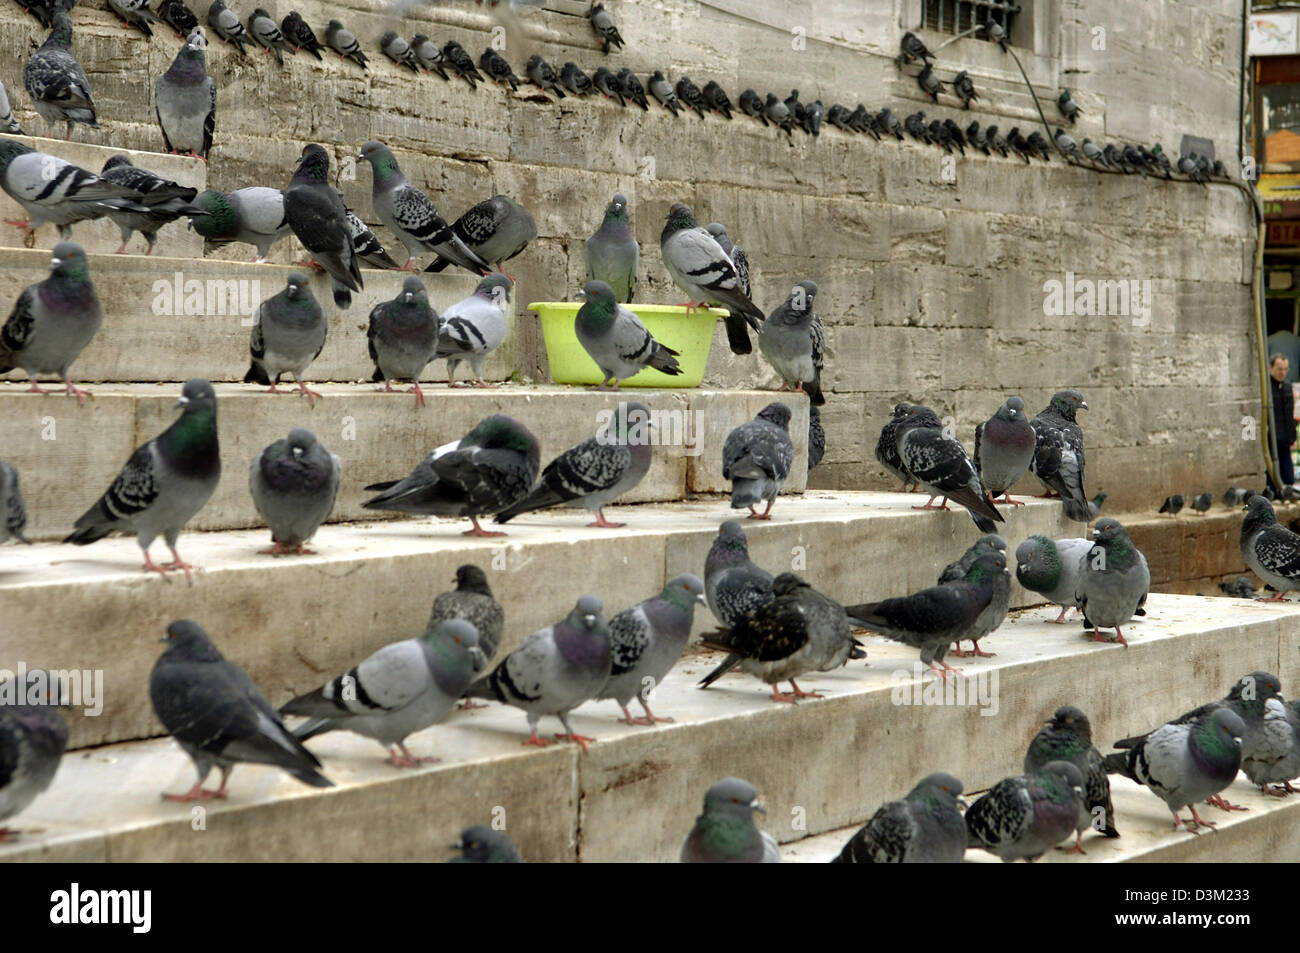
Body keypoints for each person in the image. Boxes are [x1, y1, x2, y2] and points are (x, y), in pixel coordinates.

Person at [1270, 353, 1296, 491]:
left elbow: (1290, 413)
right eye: (1279, 369)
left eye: (1285, 369)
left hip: (1285, 440)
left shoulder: (1286, 386)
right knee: (1273, 477)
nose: (1283, 373)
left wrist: (1292, 435)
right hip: (1272, 440)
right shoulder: (1267, 388)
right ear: (1270, 368)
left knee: (1289, 478)